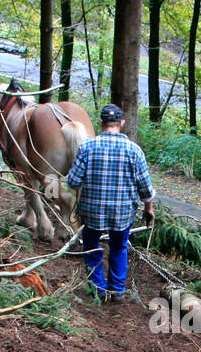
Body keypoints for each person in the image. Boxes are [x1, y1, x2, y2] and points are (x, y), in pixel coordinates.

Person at [65, 104, 155, 302]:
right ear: (121, 124)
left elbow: (72, 181)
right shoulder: (134, 150)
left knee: (91, 245)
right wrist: (149, 210)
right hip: (122, 214)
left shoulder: (87, 147)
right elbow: (145, 188)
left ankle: (97, 289)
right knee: (119, 246)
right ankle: (117, 290)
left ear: (100, 124)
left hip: (92, 212)